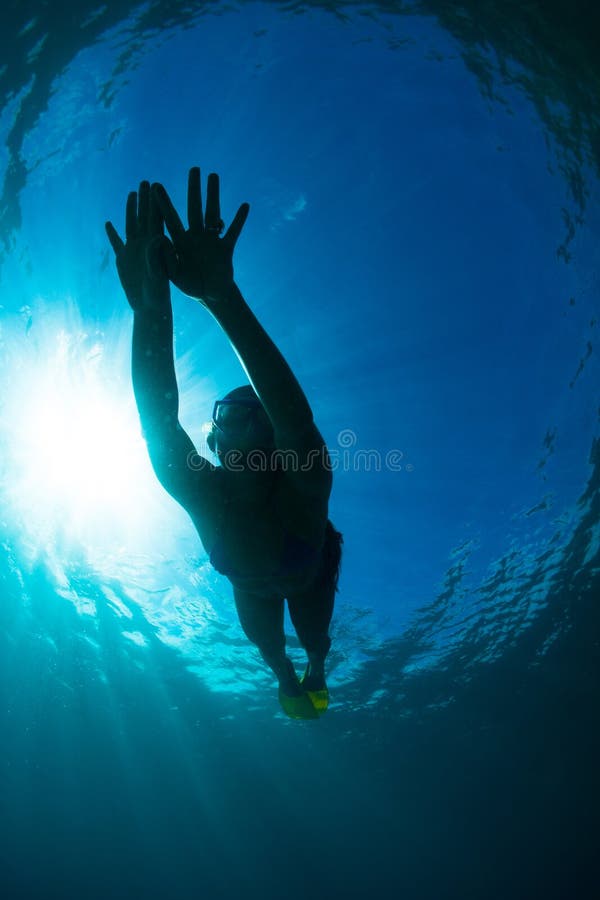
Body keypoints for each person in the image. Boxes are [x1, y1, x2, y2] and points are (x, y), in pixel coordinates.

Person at [105, 167, 342, 720]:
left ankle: (318, 669)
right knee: (268, 650)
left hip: (310, 572)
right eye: (222, 414)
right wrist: (148, 306)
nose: (226, 424)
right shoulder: (203, 490)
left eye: (245, 412)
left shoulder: (305, 481)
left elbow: (295, 420)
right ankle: (288, 677)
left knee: (314, 638)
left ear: (267, 429)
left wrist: (222, 298)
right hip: (255, 585)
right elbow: (159, 423)